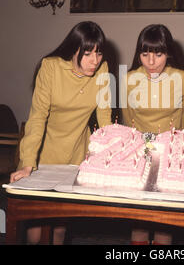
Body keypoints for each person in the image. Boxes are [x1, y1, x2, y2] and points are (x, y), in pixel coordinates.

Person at [10, 21, 112, 244]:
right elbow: (37, 117)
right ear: (73, 49)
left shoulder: (102, 70)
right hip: (42, 153)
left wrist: (107, 160)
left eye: (99, 53)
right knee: (36, 229)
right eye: (87, 54)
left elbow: (104, 120)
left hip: (76, 154)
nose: (95, 60)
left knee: (59, 229)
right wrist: (28, 162)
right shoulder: (50, 67)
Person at [121, 24, 184, 245]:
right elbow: (128, 119)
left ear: (169, 53)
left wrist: (172, 149)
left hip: (172, 153)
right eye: (145, 54)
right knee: (139, 221)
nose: (151, 62)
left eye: (158, 54)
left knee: (164, 223)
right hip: (139, 153)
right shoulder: (129, 79)